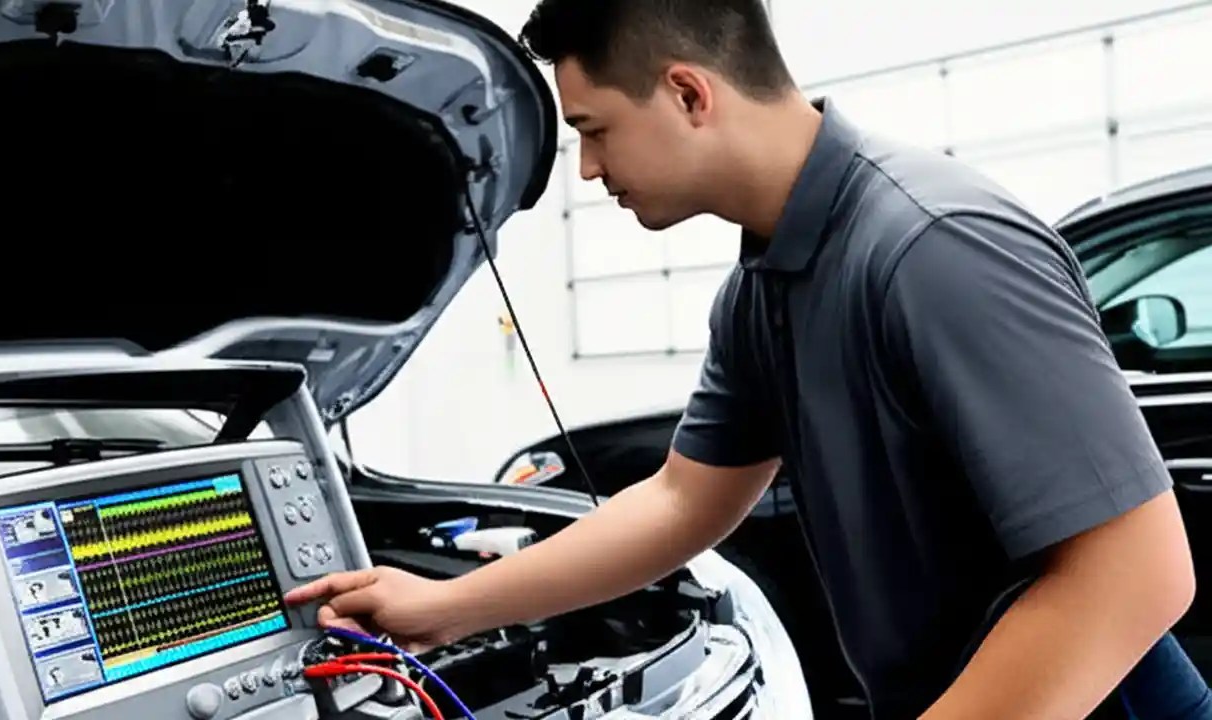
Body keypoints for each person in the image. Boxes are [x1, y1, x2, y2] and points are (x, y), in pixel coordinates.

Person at [286, 1, 1203, 717]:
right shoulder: (766, 282)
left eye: (595, 130)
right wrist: (444, 607)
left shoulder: (933, 244)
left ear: (689, 94)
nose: (588, 172)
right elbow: (685, 501)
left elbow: (1137, 572)